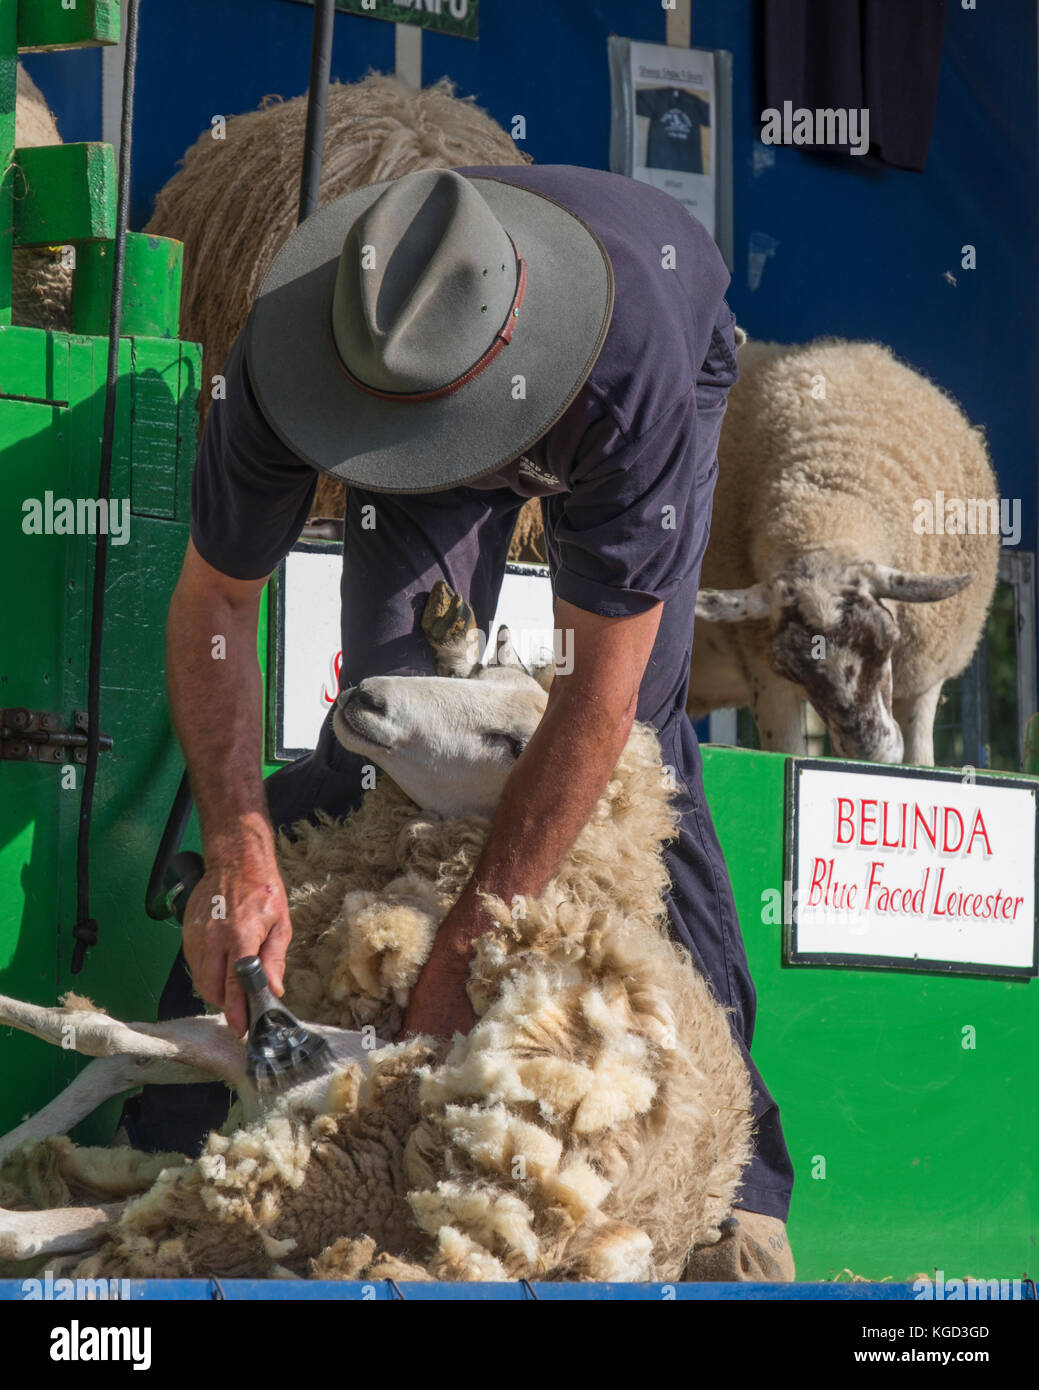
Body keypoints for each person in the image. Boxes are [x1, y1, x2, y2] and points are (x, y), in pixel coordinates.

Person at [125, 164, 795, 1280]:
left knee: (645, 767)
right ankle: (191, 1124)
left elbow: (595, 696)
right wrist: (236, 848)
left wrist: (470, 944)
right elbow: (213, 606)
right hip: (421, 378)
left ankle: (740, 1188)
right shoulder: (297, 352)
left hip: (624, 362)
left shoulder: (630, 375)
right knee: (380, 736)